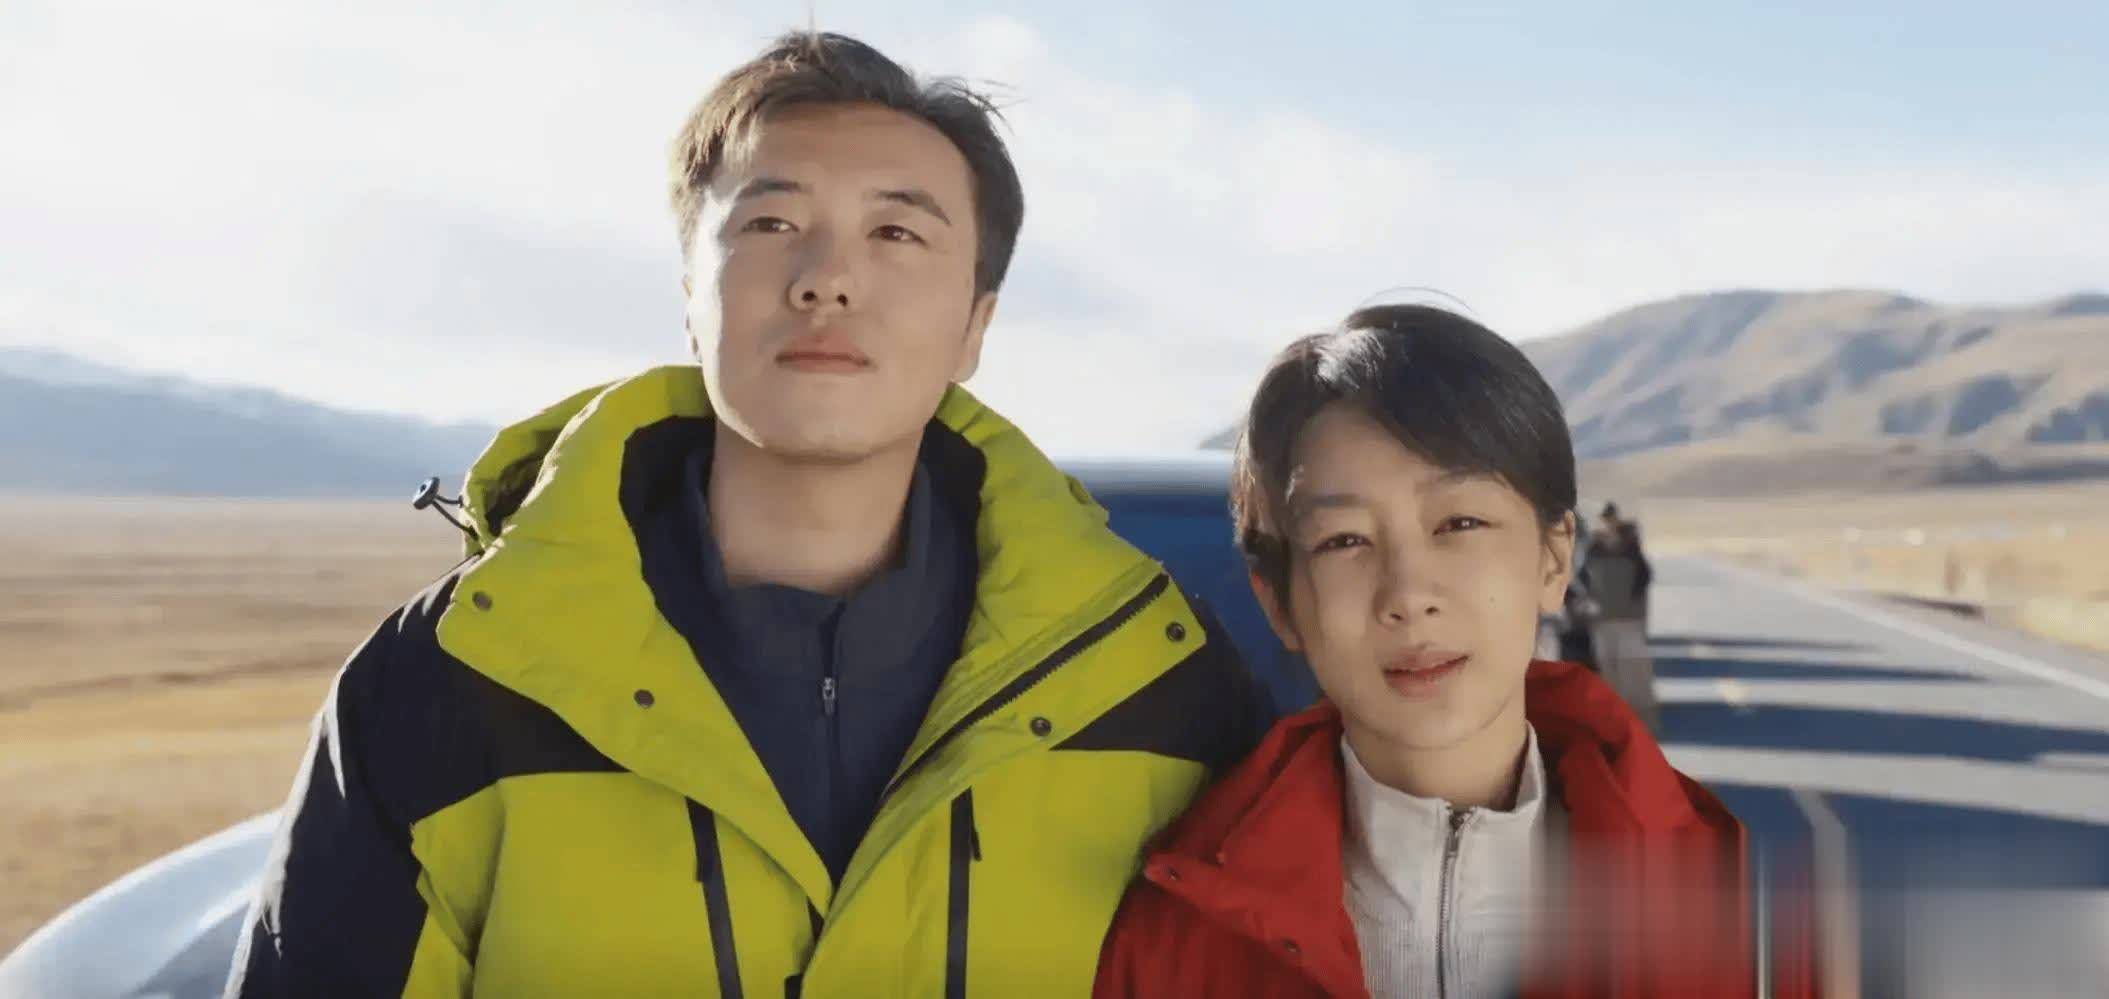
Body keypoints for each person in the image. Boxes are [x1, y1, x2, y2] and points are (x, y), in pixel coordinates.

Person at [227, 31, 1262, 997]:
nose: (828, 280)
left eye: (897, 232)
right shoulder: (452, 679)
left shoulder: (1156, 684)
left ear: (974, 326)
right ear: (692, 294)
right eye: (772, 224)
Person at [1094, 305, 1817, 998]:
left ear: (1553, 558)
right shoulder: (1172, 940)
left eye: (1460, 523)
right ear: (1279, 602)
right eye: (1343, 540)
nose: (1410, 593)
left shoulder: (1737, 916)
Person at [1581, 501, 1658, 732]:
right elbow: (1585, 579)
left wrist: (1632, 605)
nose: (1607, 523)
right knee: (1608, 666)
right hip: (1603, 619)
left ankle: (1638, 717)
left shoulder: (1630, 547)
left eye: (1610, 518)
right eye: (1605, 519)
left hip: (1628, 620)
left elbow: (1643, 578)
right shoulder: (1594, 549)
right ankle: (1613, 715)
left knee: (1631, 668)